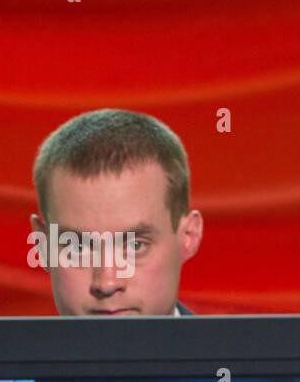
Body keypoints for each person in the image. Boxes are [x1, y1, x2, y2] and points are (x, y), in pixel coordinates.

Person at [30, 109, 201, 316]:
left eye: (135, 245)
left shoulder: (242, 350)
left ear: (188, 237)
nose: (107, 283)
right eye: (78, 247)